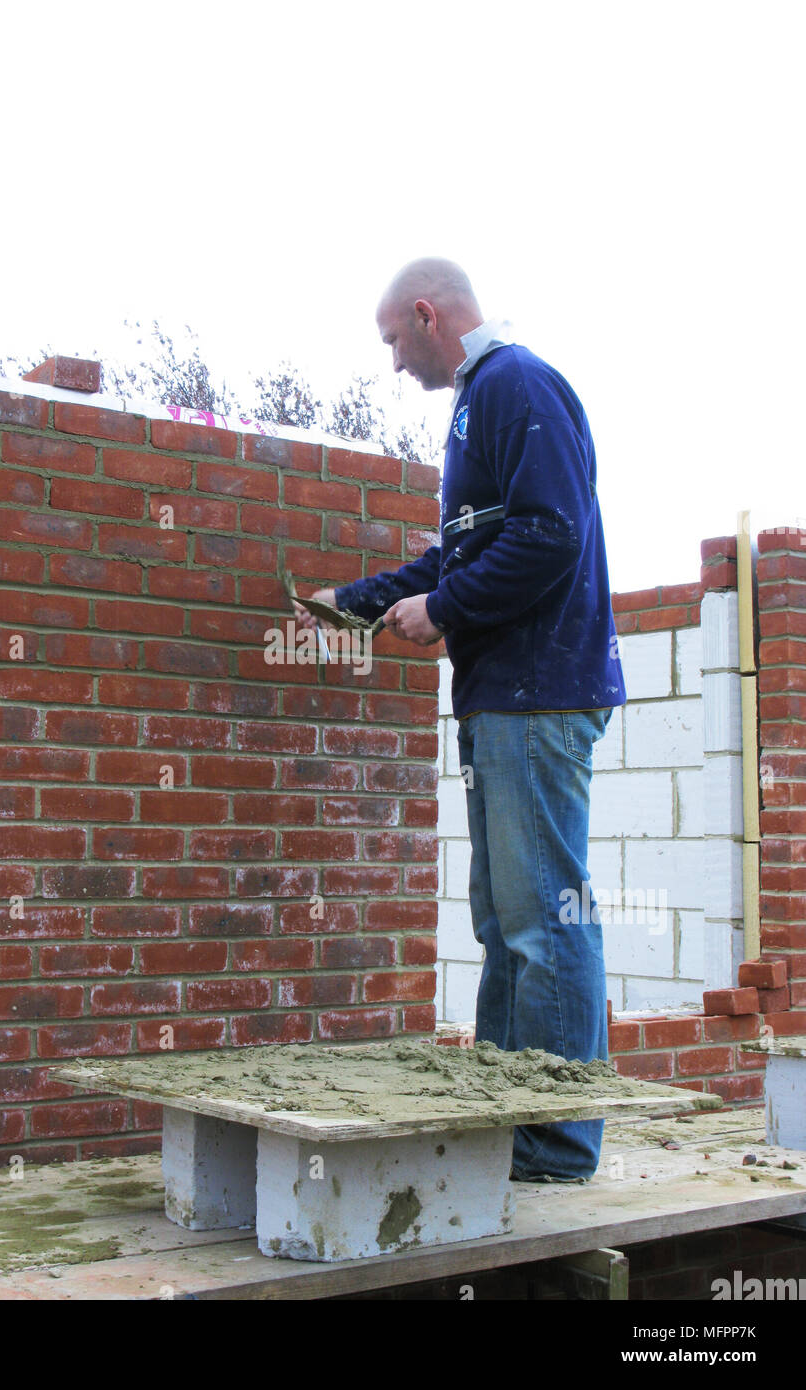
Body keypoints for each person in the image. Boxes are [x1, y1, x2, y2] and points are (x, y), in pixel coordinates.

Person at [295, 257, 627, 1181]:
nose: (394, 364)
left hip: (537, 693)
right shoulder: (477, 406)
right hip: (501, 699)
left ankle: (553, 1144)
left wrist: (444, 612)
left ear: (427, 314)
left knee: (545, 922)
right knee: (501, 921)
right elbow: (460, 555)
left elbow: (549, 534)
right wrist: (353, 600)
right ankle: (500, 1122)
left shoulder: (517, 384)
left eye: (393, 341)